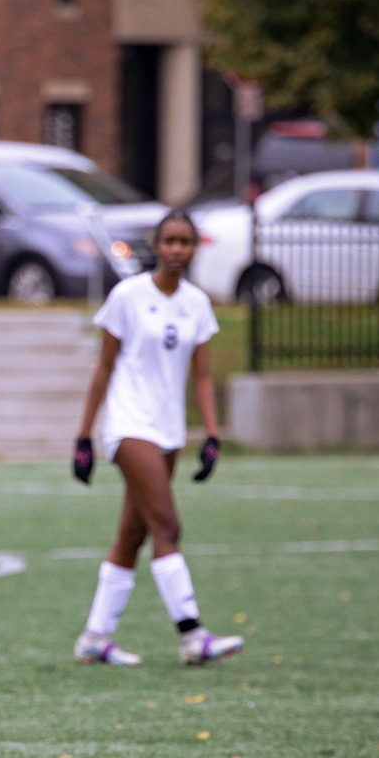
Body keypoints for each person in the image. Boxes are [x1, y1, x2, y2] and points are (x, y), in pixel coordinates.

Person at [70, 210, 244, 668]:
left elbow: (201, 375)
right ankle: (192, 635)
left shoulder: (197, 303)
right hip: (129, 425)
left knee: (133, 534)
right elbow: (104, 367)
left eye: (185, 242)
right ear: (156, 245)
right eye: (169, 241)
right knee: (168, 526)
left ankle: (94, 638)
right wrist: (84, 435)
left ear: (194, 248)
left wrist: (211, 433)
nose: (177, 249)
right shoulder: (128, 296)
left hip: (168, 430)